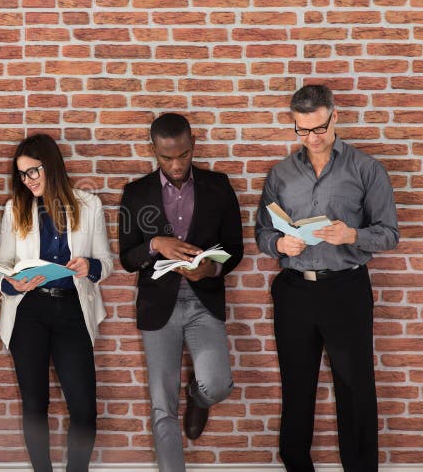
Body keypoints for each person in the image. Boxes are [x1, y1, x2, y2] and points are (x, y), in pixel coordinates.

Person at [255, 84, 399, 472]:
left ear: (335, 116)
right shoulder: (281, 173)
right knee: (296, 386)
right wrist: (279, 244)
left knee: (355, 388)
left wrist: (352, 235)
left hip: (346, 290)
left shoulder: (366, 169)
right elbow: (262, 233)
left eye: (320, 128)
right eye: (303, 130)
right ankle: (297, 466)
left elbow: (389, 233)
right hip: (295, 291)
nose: (313, 138)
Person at [117, 113, 243, 472]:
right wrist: (156, 243)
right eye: (166, 157)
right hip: (159, 306)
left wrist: (210, 268)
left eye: (183, 155)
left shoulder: (218, 186)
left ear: (193, 145)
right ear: (153, 150)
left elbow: (235, 248)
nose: (176, 165)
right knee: (162, 406)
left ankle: (198, 397)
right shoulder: (136, 193)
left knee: (217, 385)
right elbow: (127, 258)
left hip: (204, 302)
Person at [0, 134, 112, 472]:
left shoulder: (89, 205)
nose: (28, 180)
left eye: (33, 171)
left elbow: (106, 262)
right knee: (34, 405)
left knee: (84, 409)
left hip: (72, 309)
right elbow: (2, 266)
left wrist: (90, 266)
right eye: (22, 174)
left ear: (52, 166)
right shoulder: (15, 209)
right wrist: (12, 283)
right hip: (28, 310)